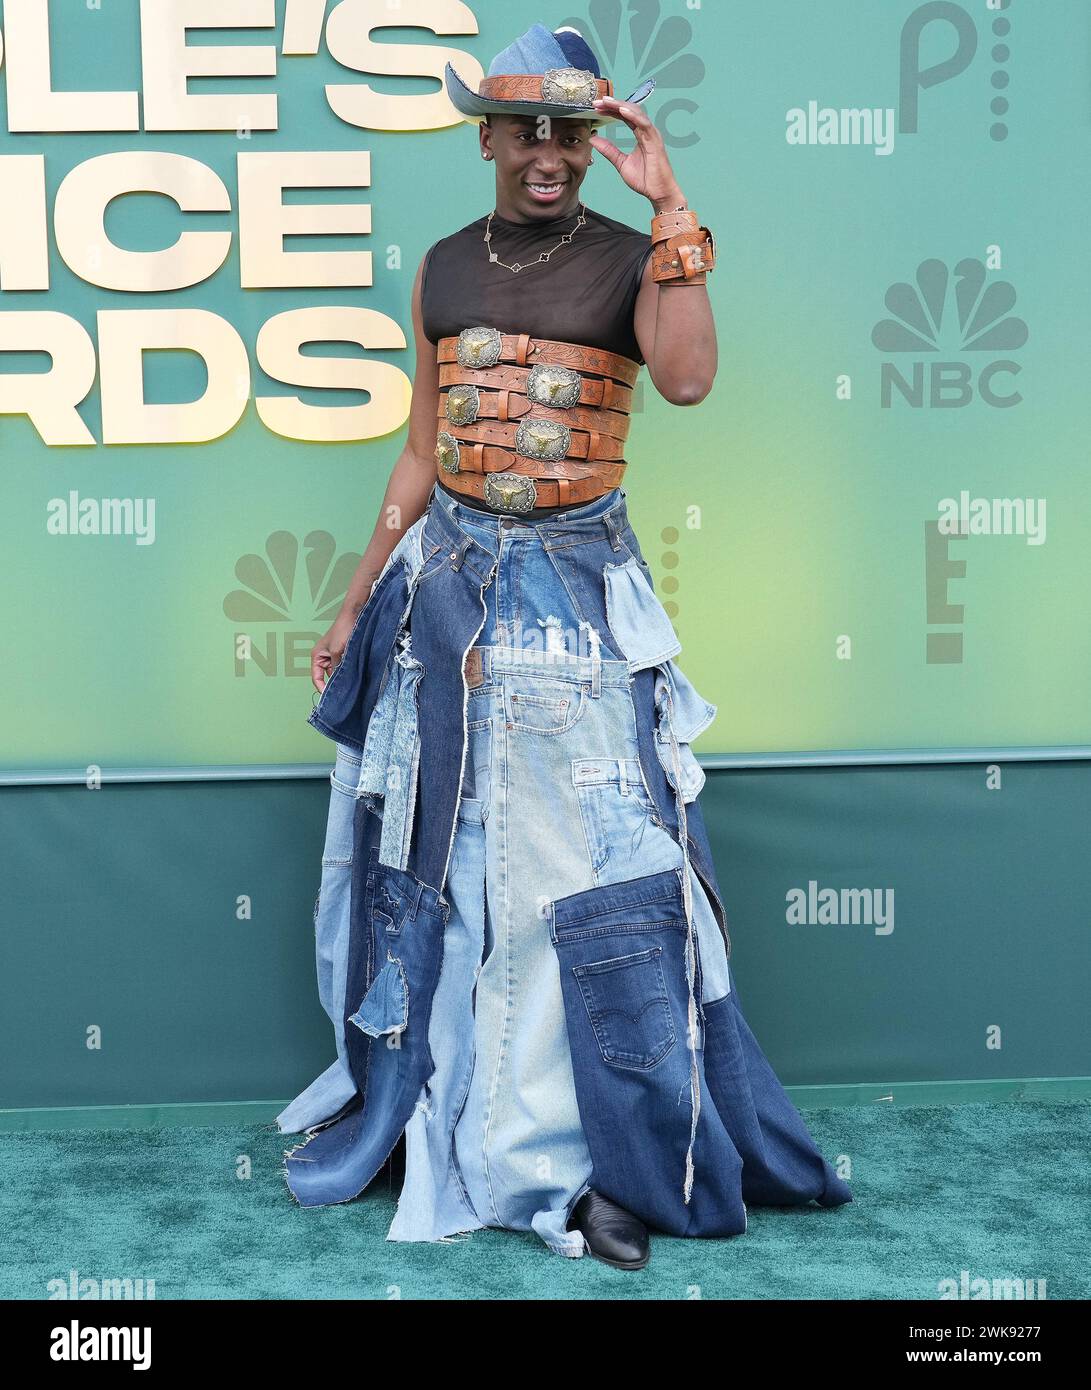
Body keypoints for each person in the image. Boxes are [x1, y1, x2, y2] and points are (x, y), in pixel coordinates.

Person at [276, 22, 852, 1272]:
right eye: (526, 130)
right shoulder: (436, 266)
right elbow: (424, 449)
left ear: (596, 142)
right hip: (443, 603)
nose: (548, 155)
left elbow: (689, 380)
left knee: (578, 878)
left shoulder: (634, 255)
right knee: (440, 861)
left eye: (572, 133)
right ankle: (449, 1118)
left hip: (575, 610)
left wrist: (674, 213)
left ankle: (593, 1158)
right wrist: (355, 592)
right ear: (482, 135)